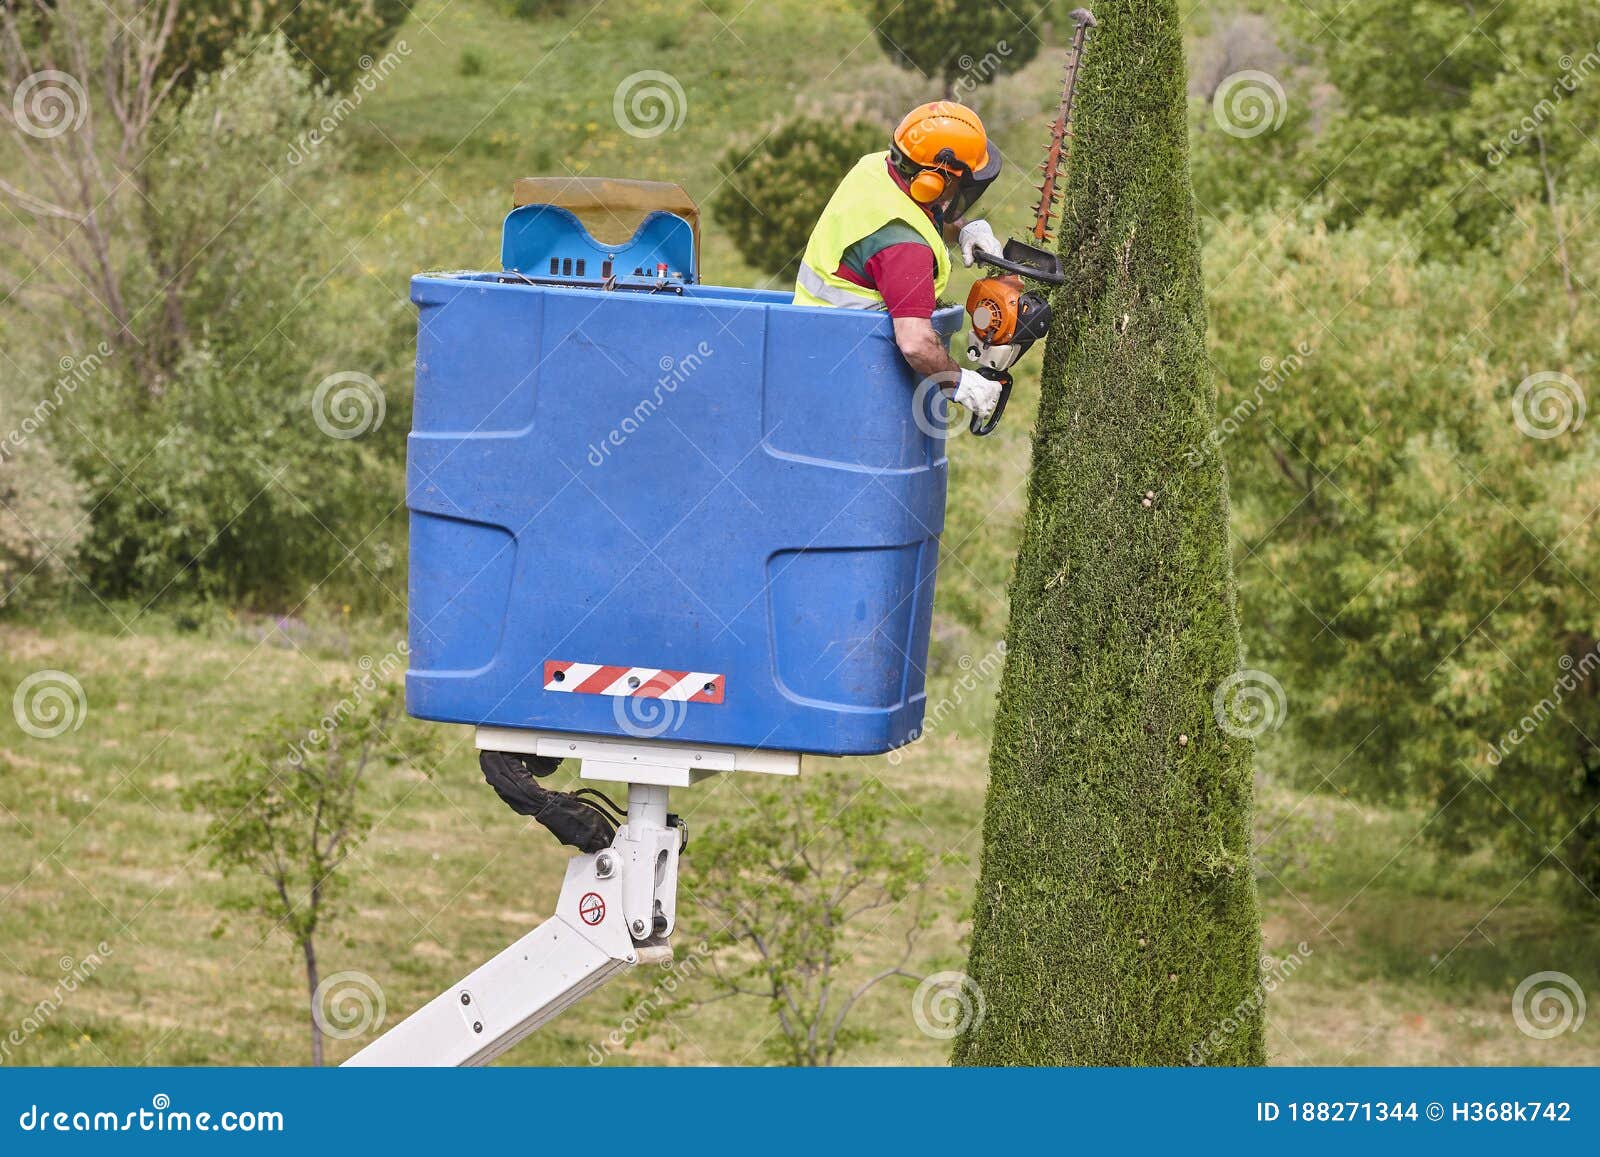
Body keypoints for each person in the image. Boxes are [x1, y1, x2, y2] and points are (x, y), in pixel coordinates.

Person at [793, 100, 1006, 422]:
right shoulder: (904, 247)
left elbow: (918, 209)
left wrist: (963, 231)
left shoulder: (877, 168)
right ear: (935, 180)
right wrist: (960, 382)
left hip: (809, 341)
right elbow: (915, 343)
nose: (964, 188)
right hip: (850, 365)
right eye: (961, 180)